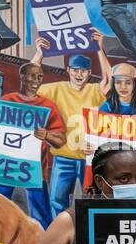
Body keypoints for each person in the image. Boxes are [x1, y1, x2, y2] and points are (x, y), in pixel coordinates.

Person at [34, 32, 113, 218]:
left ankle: (90, 237)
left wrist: (99, 48)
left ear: (89, 73)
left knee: (95, 201)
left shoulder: (94, 90)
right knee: (57, 201)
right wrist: (39, 54)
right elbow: (32, 82)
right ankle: (61, 238)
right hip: (64, 158)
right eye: (75, 70)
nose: (79, 74)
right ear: (68, 70)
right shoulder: (56, 89)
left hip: (90, 158)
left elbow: (110, 81)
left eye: (83, 70)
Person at [0, 62, 66, 225]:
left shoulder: (48, 106)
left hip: (32, 168)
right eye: (32, 75)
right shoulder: (6, 101)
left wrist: (47, 135)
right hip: (4, 165)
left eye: (40, 76)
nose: (36, 80)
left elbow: (60, 141)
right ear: (22, 76)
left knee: (42, 216)